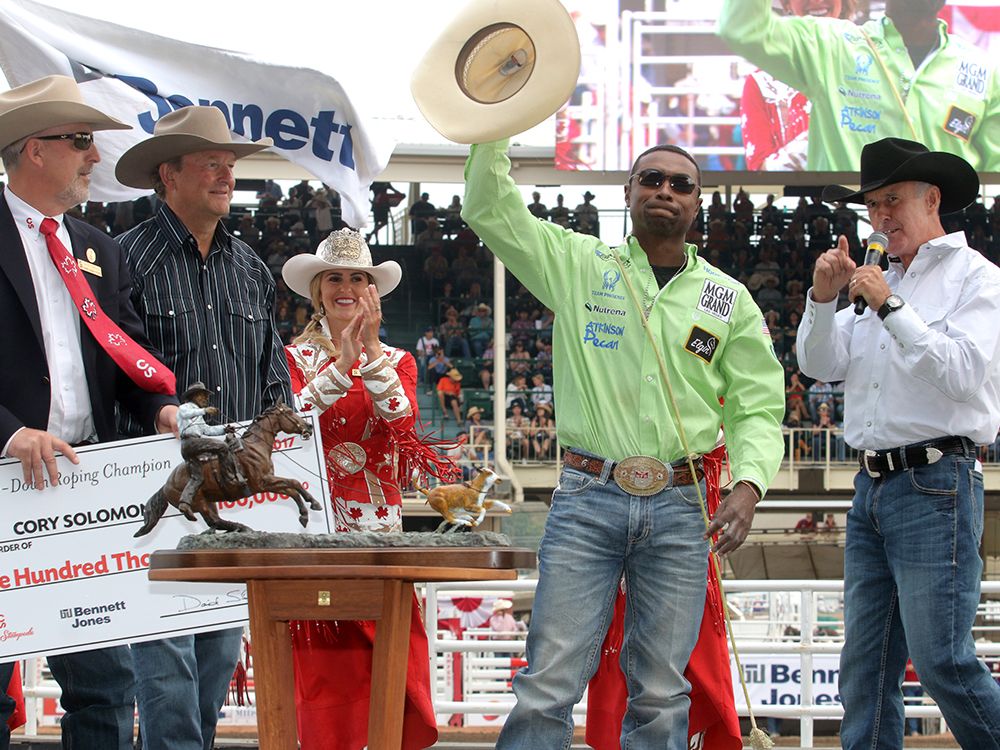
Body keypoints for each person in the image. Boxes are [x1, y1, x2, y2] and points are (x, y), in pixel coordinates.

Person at [462, 138, 785, 748]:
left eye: (681, 184)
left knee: (663, 691)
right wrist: (493, 124)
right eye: (652, 178)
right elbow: (488, 208)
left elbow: (758, 406)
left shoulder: (728, 299)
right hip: (588, 498)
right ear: (628, 193)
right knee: (548, 682)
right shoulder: (579, 263)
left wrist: (748, 484)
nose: (665, 190)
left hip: (683, 507)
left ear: (698, 204)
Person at [797, 136, 1000, 748]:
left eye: (892, 201)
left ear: (931, 198)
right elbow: (819, 365)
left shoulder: (976, 277)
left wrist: (889, 306)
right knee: (865, 670)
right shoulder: (872, 283)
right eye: (872, 206)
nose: (880, 218)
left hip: (937, 480)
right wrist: (823, 298)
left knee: (943, 660)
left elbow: (965, 372)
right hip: (874, 486)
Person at [0, 74, 180, 748]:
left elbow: (130, 358)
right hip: (2, 484)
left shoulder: (97, 248)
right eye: (80, 141)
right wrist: (11, 432)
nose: (94, 156)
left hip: (79, 490)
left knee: (105, 686)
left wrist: (162, 409)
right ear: (34, 150)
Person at [114, 105, 291, 750]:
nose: (226, 173)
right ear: (169, 173)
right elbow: (114, 372)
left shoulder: (249, 264)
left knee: (216, 660)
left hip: (239, 483)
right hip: (161, 474)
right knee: (167, 662)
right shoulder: (122, 258)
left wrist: (286, 430)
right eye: (211, 162)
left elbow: (273, 370)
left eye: (231, 163)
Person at [279, 227, 448, 748]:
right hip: (313, 527)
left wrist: (369, 350)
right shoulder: (291, 358)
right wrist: (343, 364)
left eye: (358, 278)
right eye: (335, 277)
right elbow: (289, 425)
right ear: (318, 289)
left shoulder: (398, 360)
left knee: (386, 654)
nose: (346, 287)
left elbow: (403, 424)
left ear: (373, 290)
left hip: (379, 531)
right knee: (323, 662)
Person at [719, 0, 1000, 172]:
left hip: (944, 243)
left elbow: (994, 176)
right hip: (846, 241)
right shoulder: (830, 44)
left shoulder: (984, 69)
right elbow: (743, 29)